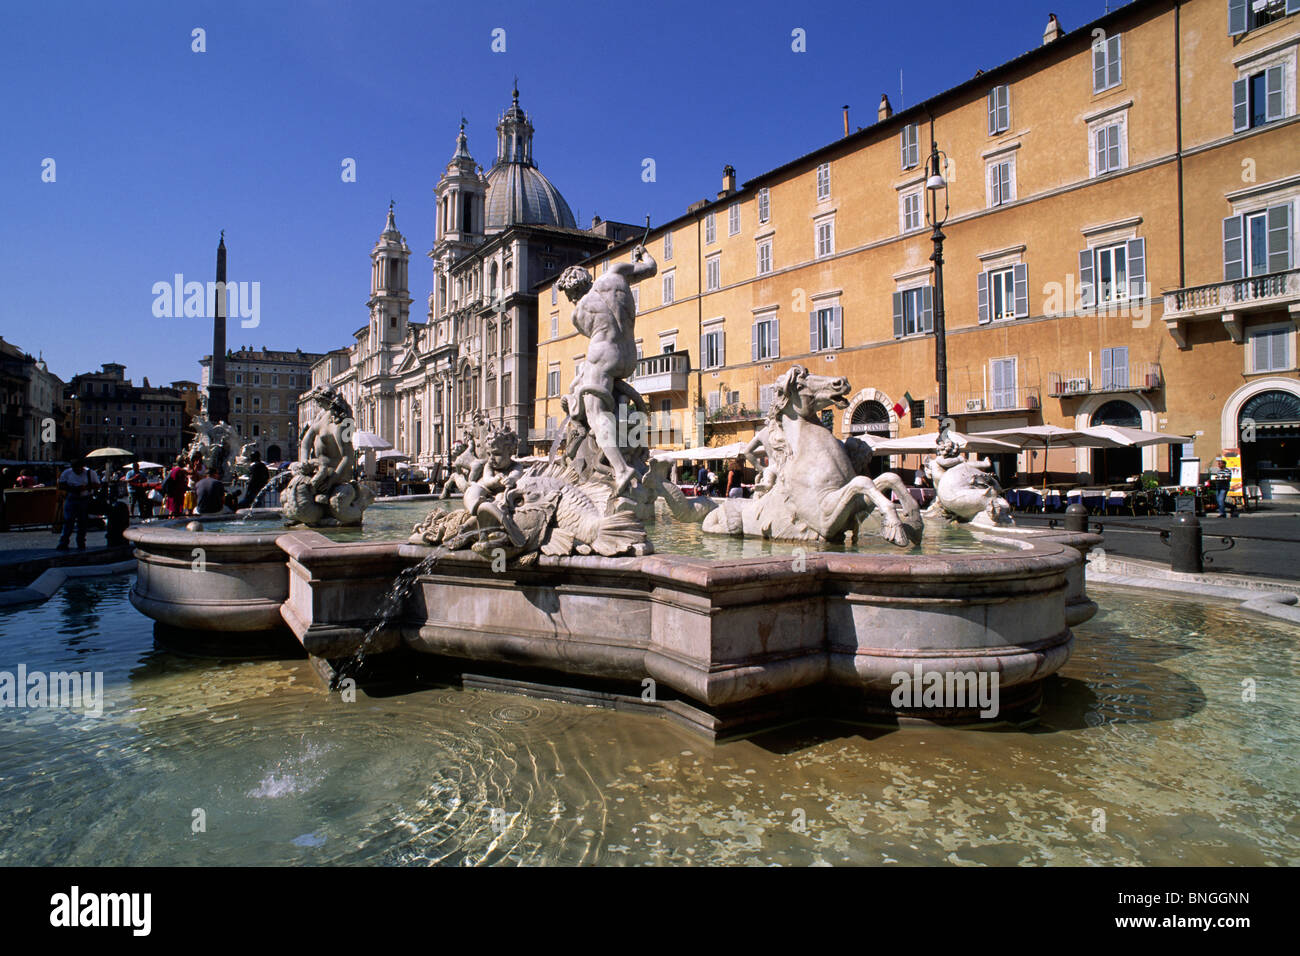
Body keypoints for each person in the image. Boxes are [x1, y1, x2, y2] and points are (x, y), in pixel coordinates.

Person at [557, 242, 658, 497]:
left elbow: (594, 334)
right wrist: (643, 253)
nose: (569, 300)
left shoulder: (577, 313)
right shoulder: (615, 273)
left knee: (594, 411)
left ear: (571, 292)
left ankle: (620, 468)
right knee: (598, 392)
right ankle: (628, 441)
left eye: (568, 295)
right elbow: (651, 268)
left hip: (603, 354)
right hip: (628, 357)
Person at [55, 459, 100, 551]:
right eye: (75, 469)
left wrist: (85, 487)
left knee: (82, 522)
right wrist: (73, 488)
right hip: (71, 498)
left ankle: (81, 542)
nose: (77, 471)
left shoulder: (90, 473)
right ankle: (63, 542)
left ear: (82, 467)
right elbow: (61, 485)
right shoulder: (67, 473)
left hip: (85, 498)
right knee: (68, 521)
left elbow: (97, 485)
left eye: (79, 469)